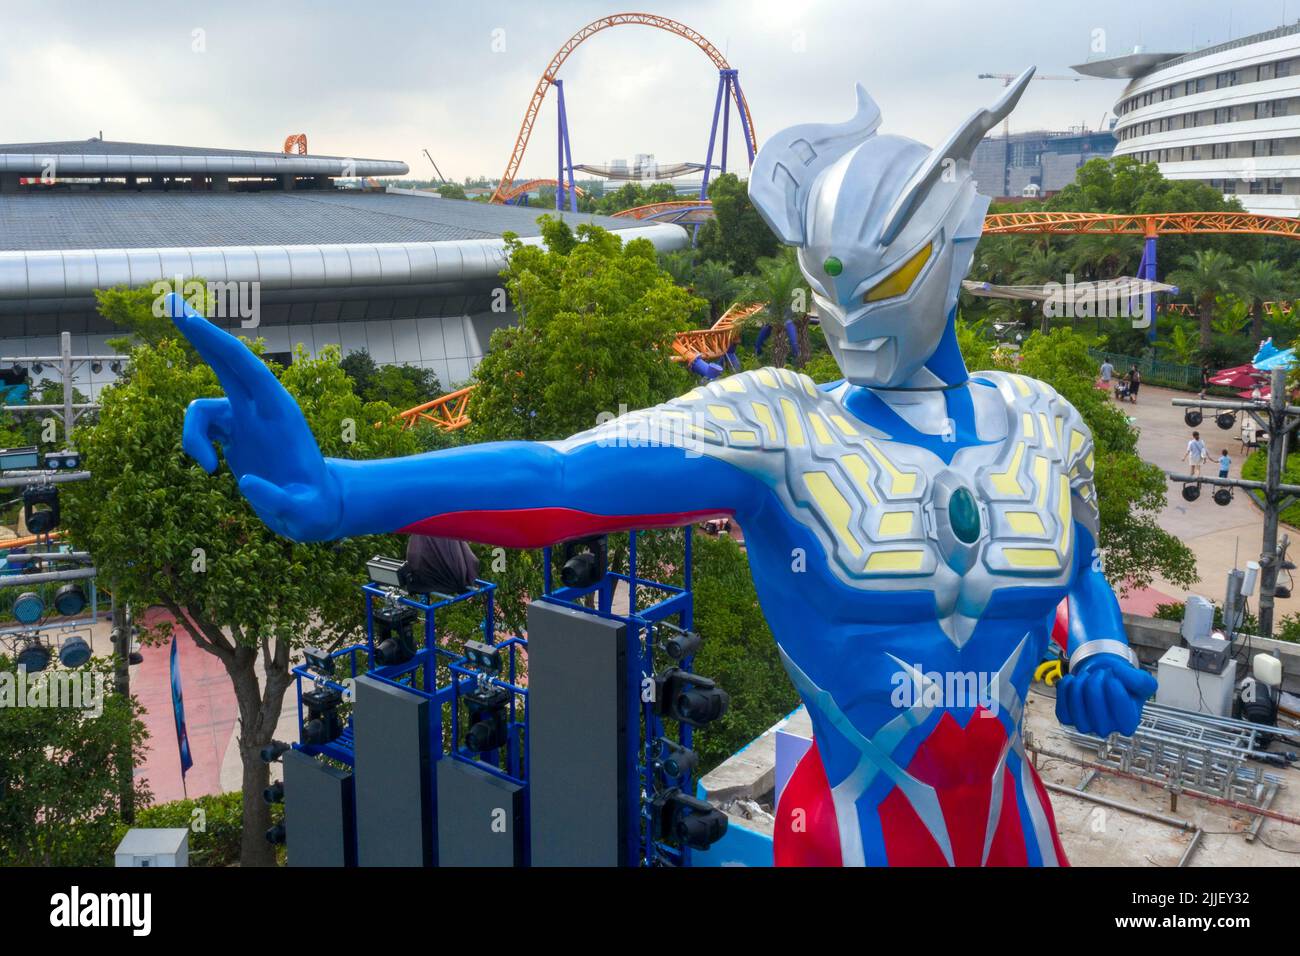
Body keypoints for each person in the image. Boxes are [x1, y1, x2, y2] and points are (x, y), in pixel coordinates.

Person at [170, 69, 1154, 868]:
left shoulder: (1045, 422)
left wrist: (1100, 646)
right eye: (825, 278)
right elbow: (566, 478)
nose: (852, 314)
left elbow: (1068, 564)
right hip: (847, 835)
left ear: (956, 245)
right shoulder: (783, 426)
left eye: (884, 277)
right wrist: (350, 488)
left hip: (1018, 831)